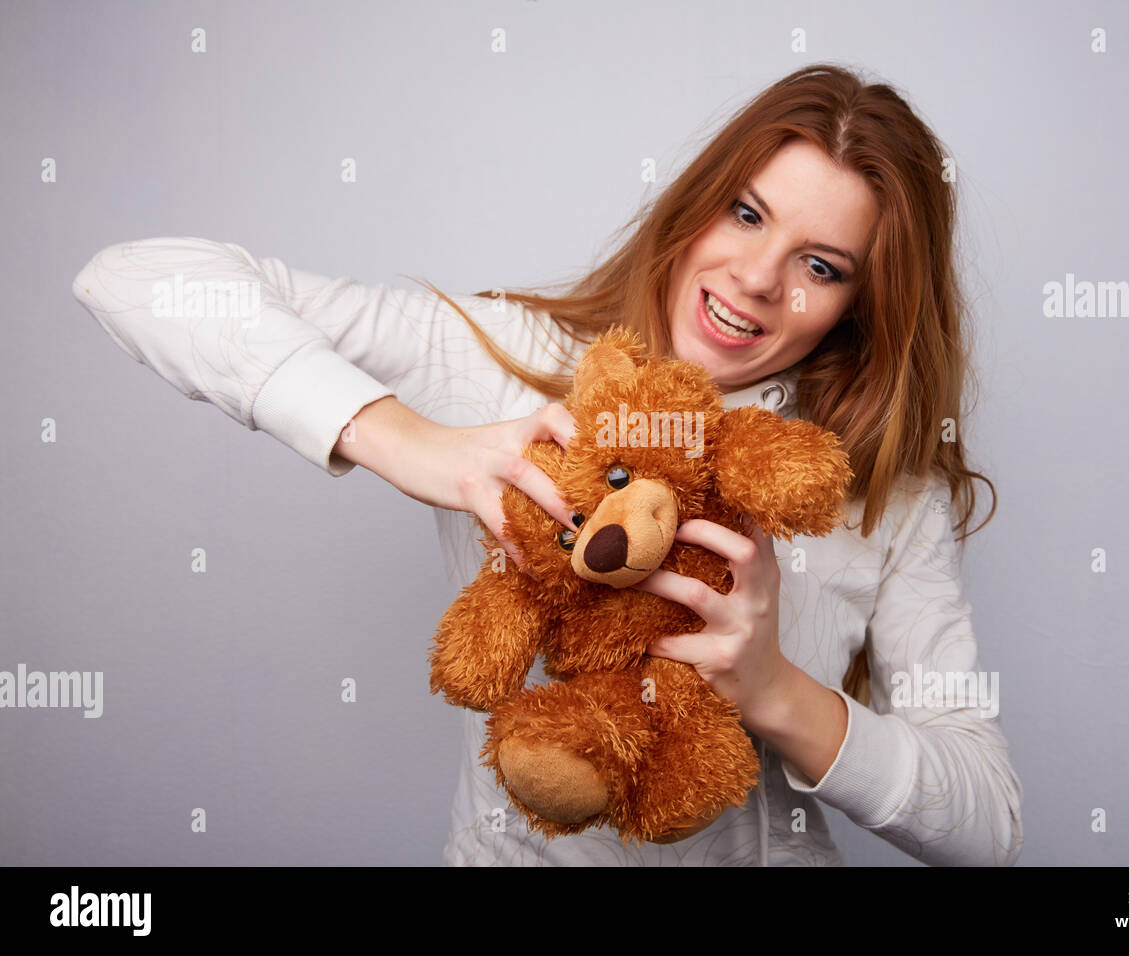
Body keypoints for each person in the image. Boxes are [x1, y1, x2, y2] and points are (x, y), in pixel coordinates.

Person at [71, 62, 1022, 866]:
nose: (757, 278)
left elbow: (988, 822)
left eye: (821, 265)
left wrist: (775, 689)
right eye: (745, 214)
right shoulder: (500, 362)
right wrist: (410, 443)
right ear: (697, 204)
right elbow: (135, 278)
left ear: (860, 303)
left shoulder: (879, 489)